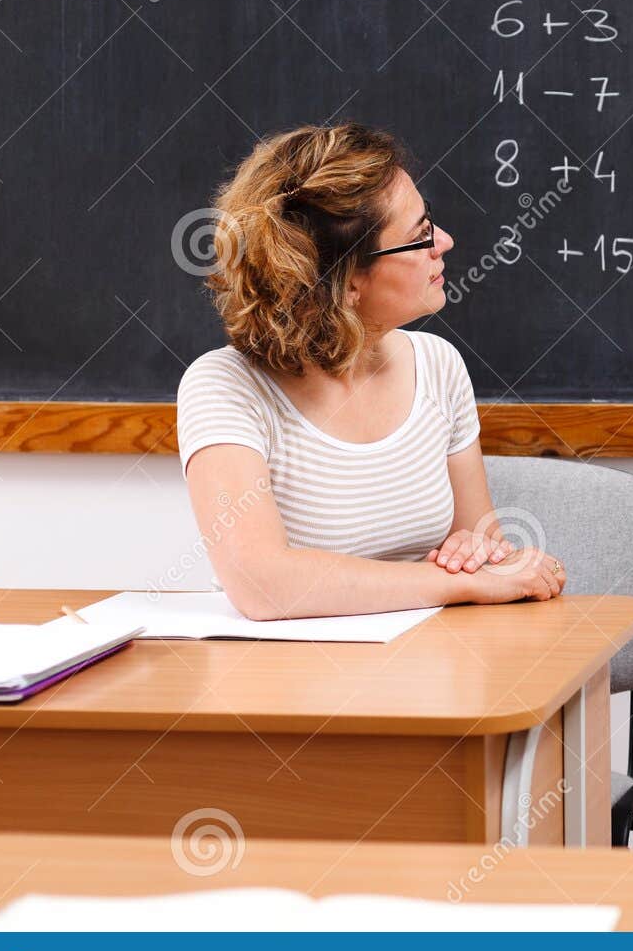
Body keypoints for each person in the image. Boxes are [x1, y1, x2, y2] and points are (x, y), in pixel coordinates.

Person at [176, 122, 565, 619]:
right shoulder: (226, 387)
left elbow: (488, 558)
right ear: (348, 283)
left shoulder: (438, 366)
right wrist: (455, 581)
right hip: (282, 683)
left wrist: (483, 557)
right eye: (418, 234)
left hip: (429, 671)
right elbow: (263, 586)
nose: (443, 241)